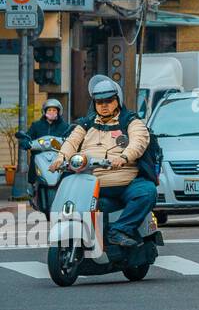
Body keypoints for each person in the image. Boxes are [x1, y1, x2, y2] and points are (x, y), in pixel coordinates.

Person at [50, 76, 156, 249]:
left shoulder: (131, 121)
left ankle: (120, 230)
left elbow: (139, 142)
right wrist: (60, 158)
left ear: (118, 101)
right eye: (99, 102)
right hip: (92, 183)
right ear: (94, 103)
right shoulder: (86, 124)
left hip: (125, 183)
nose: (104, 105)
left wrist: (124, 157)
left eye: (109, 100)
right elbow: (71, 142)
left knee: (147, 192)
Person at [28, 98, 72, 186]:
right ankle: (32, 185)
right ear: (44, 111)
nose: (51, 112)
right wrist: (25, 141)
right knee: (33, 161)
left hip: (58, 157)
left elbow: (71, 138)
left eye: (54, 110)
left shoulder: (65, 126)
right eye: (49, 110)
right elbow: (28, 136)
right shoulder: (36, 125)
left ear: (58, 112)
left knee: (68, 171)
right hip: (39, 156)